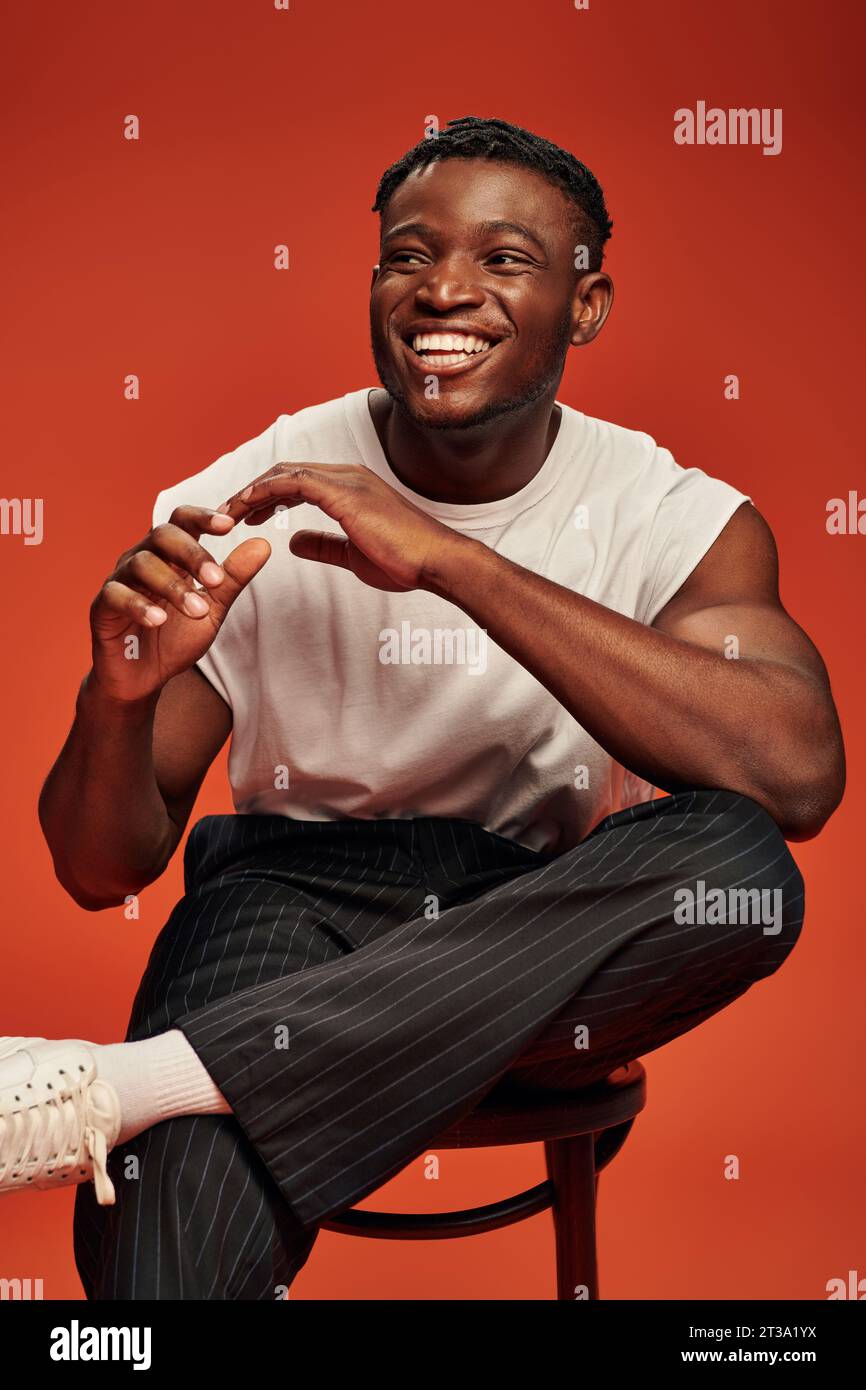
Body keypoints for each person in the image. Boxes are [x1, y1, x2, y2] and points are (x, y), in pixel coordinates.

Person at [0, 117, 844, 1300]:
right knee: (168, 1252)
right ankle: (207, 1080)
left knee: (741, 864)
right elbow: (100, 866)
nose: (444, 288)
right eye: (408, 254)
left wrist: (456, 562)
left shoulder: (674, 516)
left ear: (585, 303)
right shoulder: (250, 496)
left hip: (534, 920)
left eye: (503, 259)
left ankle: (139, 1085)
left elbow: (797, 775)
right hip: (286, 910)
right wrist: (119, 694)